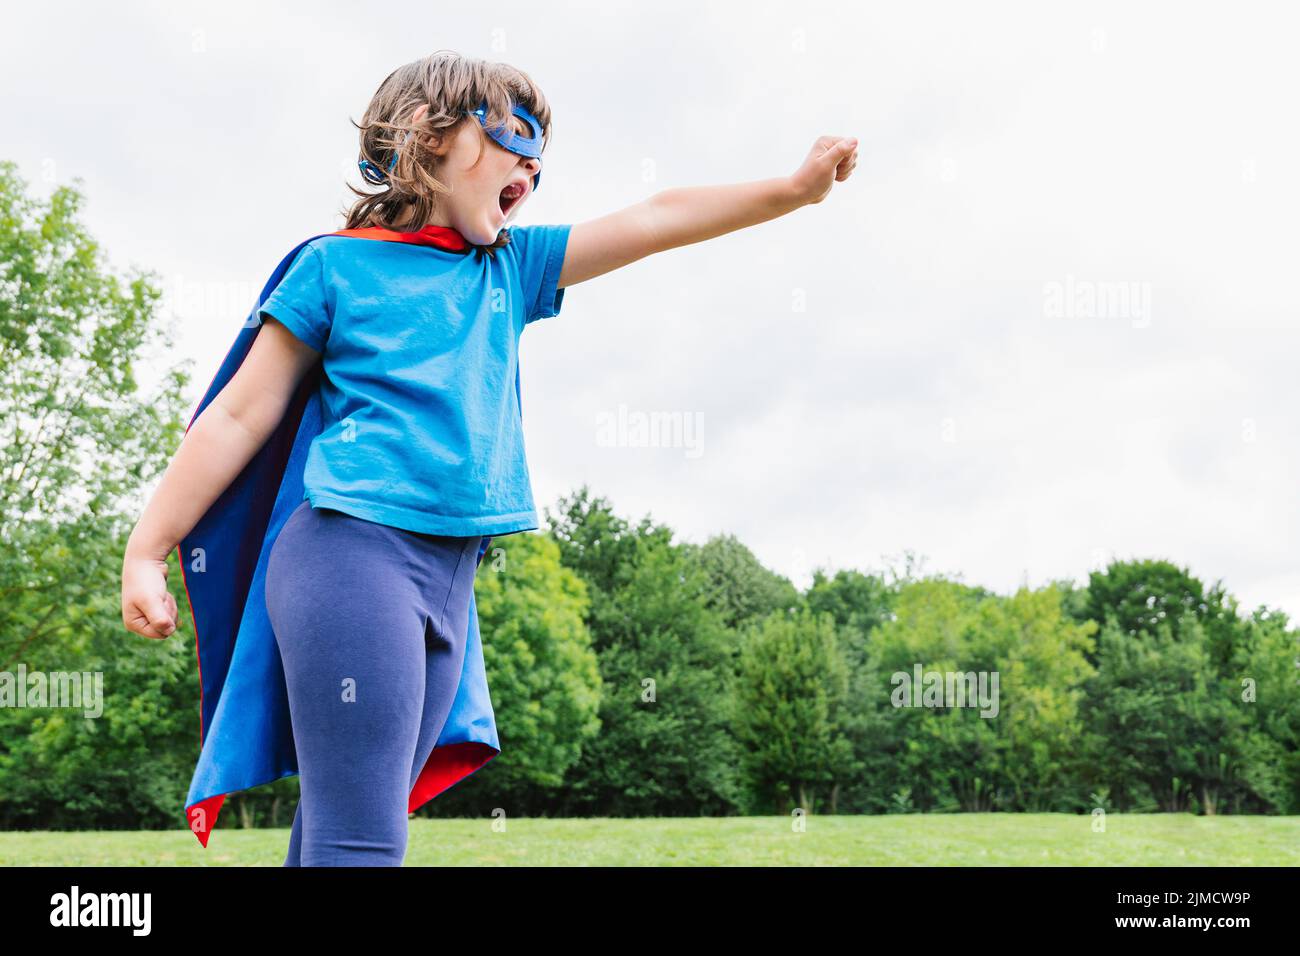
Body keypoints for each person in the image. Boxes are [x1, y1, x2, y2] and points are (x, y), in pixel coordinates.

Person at [120, 50, 858, 866]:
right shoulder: (335, 267)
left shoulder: (510, 267)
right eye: (513, 132)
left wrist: (792, 192)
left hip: (450, 585)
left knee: (345, 828)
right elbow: (234, 415)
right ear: (425, 138)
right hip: (350, 558)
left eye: (541, 150)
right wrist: (148, 548)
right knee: (361, 839)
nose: (532, 160)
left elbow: (653, 217)